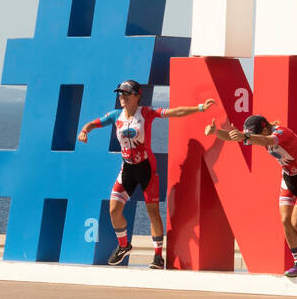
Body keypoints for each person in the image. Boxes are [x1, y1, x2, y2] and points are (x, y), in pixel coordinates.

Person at [77, 81, 215, 267]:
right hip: (127, 169)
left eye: (126, 94)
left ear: (137, 95)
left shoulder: (146, 113)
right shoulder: (115, 115)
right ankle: (124, 246)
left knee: (153, 214)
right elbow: (93, 123)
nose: (122, 97)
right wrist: (84, 131)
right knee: (113, 210)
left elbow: (175, 112)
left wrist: (199, 108)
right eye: (120, 94)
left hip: (146, 169)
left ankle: (158, 256)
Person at [204, 114, 297, 277]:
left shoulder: (281, 132)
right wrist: (216, 132)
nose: (252, 138)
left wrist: (246, 136)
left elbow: (267, 141)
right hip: (289, 179)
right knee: (285, 221)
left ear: (264, 128)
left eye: (255, 134)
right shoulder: (258, 134)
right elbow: (233, 136)